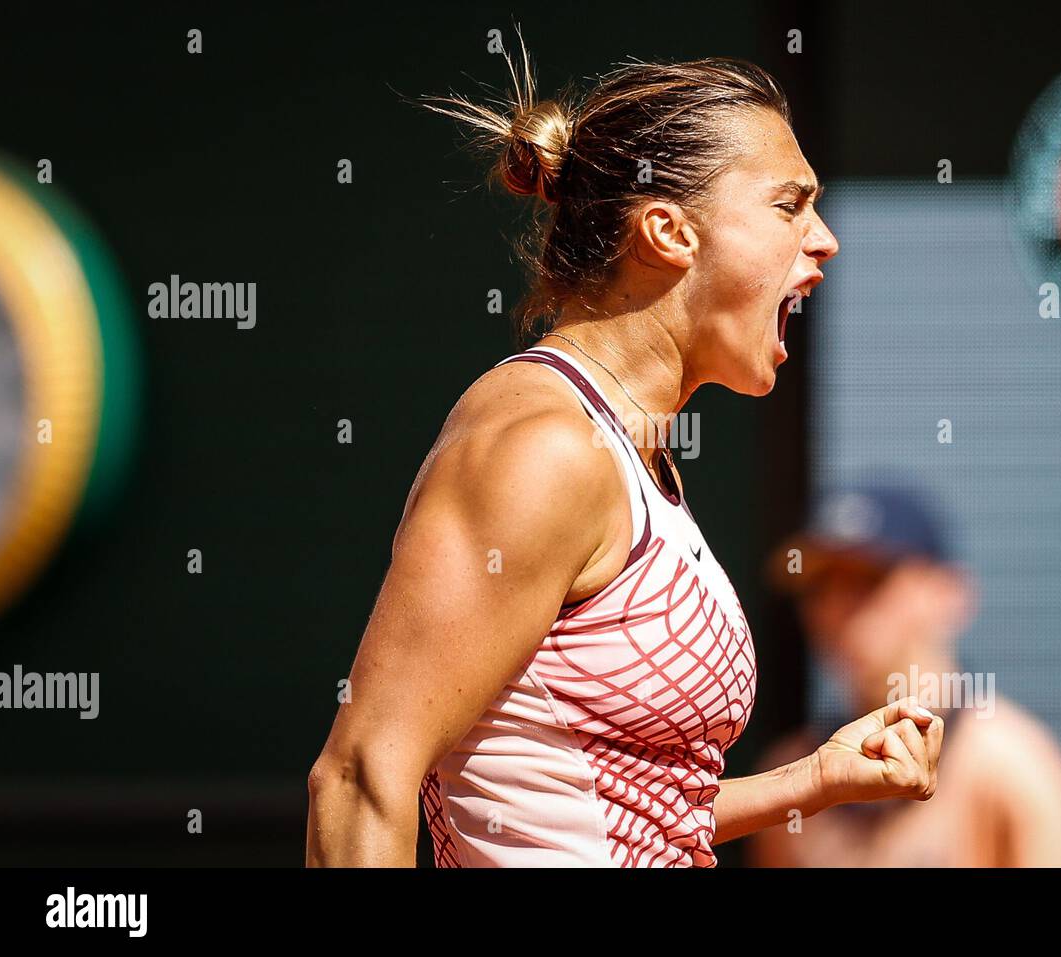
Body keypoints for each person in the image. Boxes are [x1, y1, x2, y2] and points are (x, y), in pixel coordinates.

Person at [304, 39, 946, 868]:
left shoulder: (635, 454)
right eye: (790, 206)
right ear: (669, 231)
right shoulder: (545, 448)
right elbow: (360, 777)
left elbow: (611, 811)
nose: (824, 240)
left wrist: (815, 777)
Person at [753, 482, 1061, 867]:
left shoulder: (1010, 764)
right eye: (821, 586)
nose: (838, 608)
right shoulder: (792, 774)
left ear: (949, 592)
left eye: (868, 580)